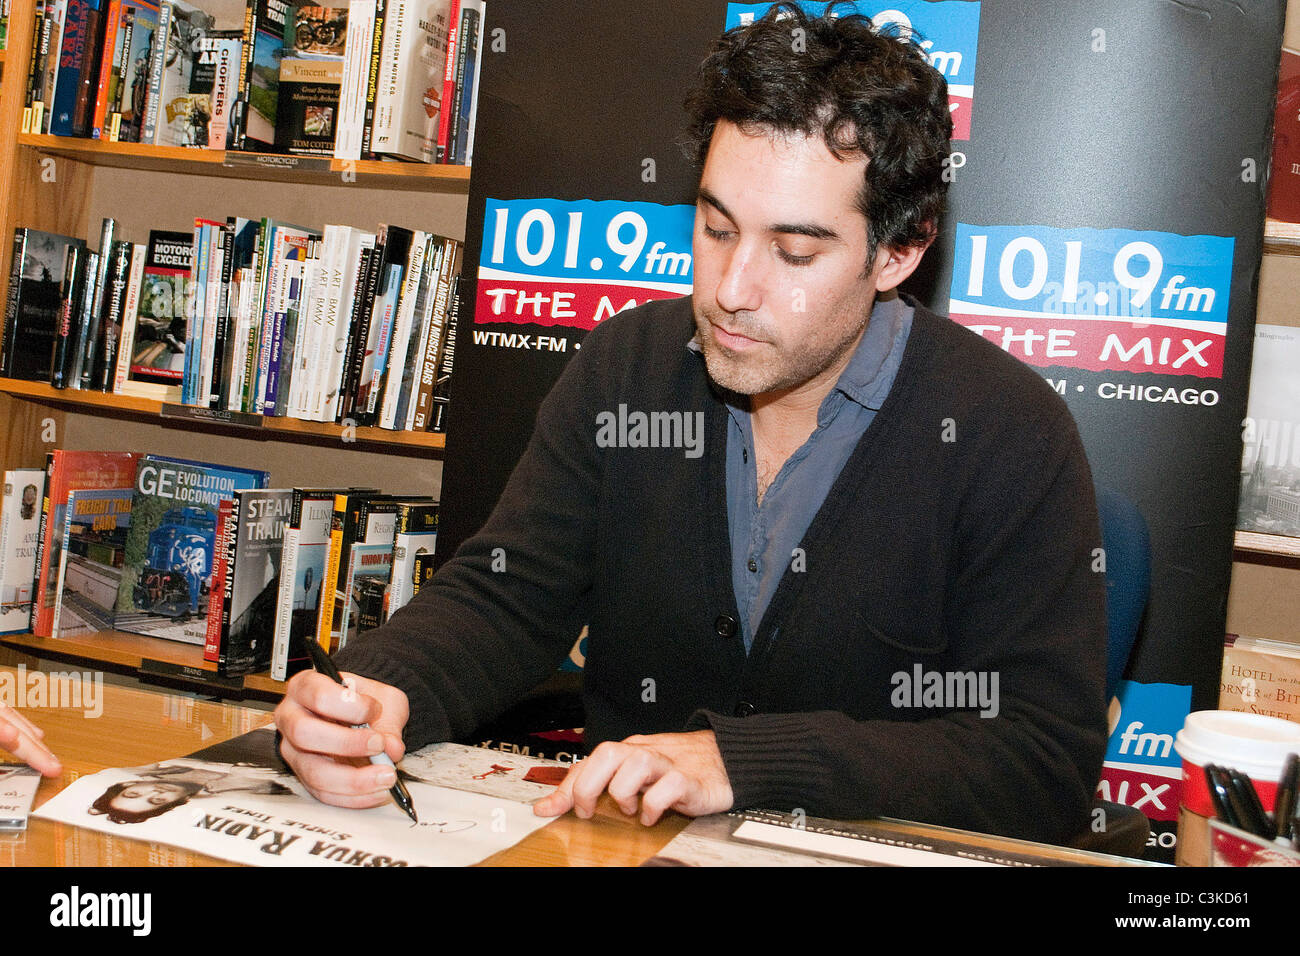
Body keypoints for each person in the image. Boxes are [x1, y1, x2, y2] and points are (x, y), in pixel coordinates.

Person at [274, 4, 1108, 845]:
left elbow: (1038, 760)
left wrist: (743, 762)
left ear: (897, 252)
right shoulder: (629, 368)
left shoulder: (1008, 432)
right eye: (716, 228)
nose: (731, 289)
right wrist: (383, 689)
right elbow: (505, 596)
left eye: (794, 252)